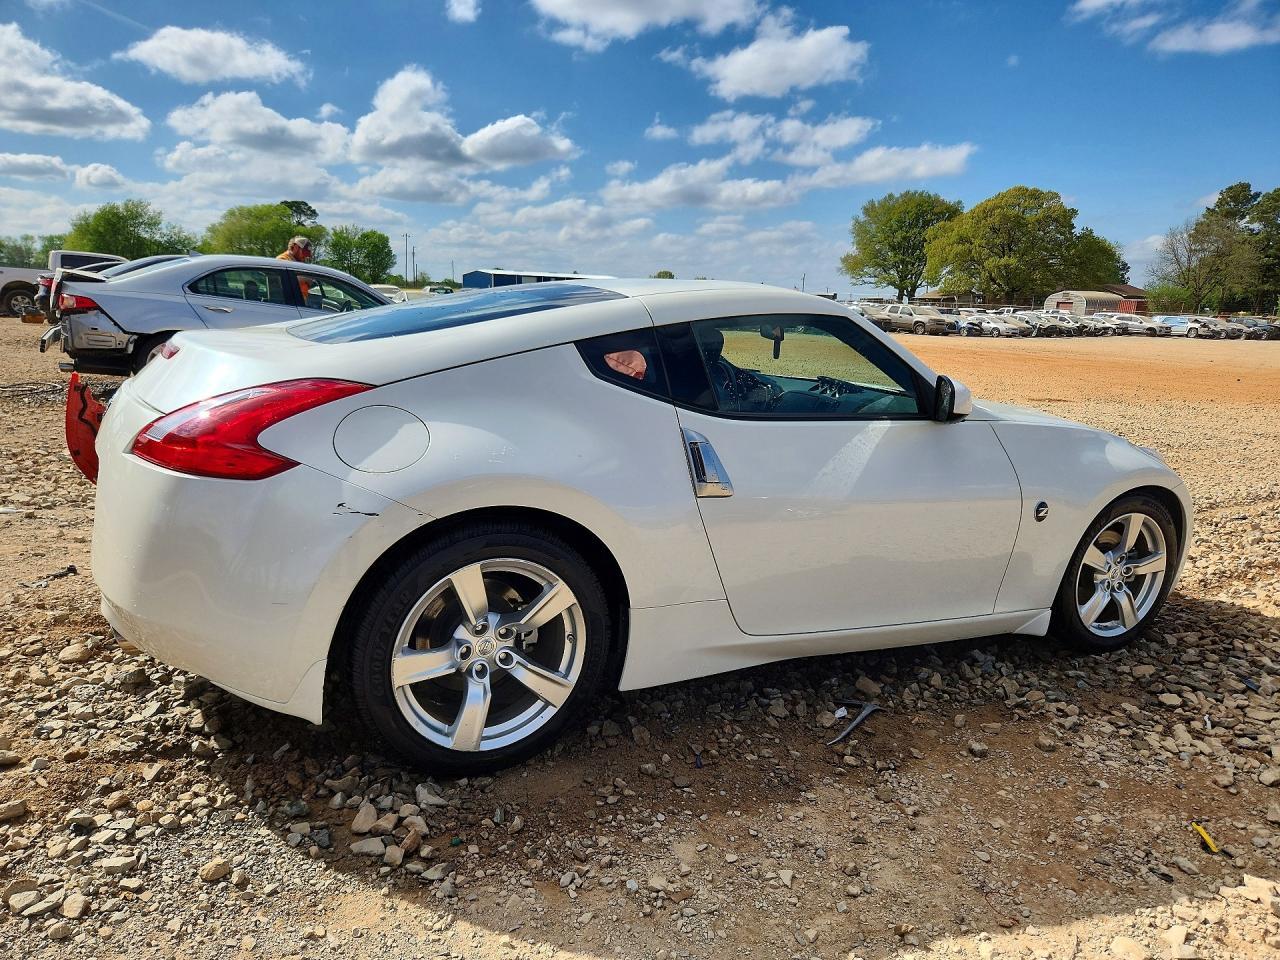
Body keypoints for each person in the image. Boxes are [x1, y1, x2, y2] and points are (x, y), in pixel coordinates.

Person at [277, 236, 313, 303]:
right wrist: (306, 278)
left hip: (300, 301)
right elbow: (283, 280)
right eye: (304, 253)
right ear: (296, 248)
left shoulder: (298, 262)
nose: (305, 256)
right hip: (290, 302)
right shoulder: (282, 259)